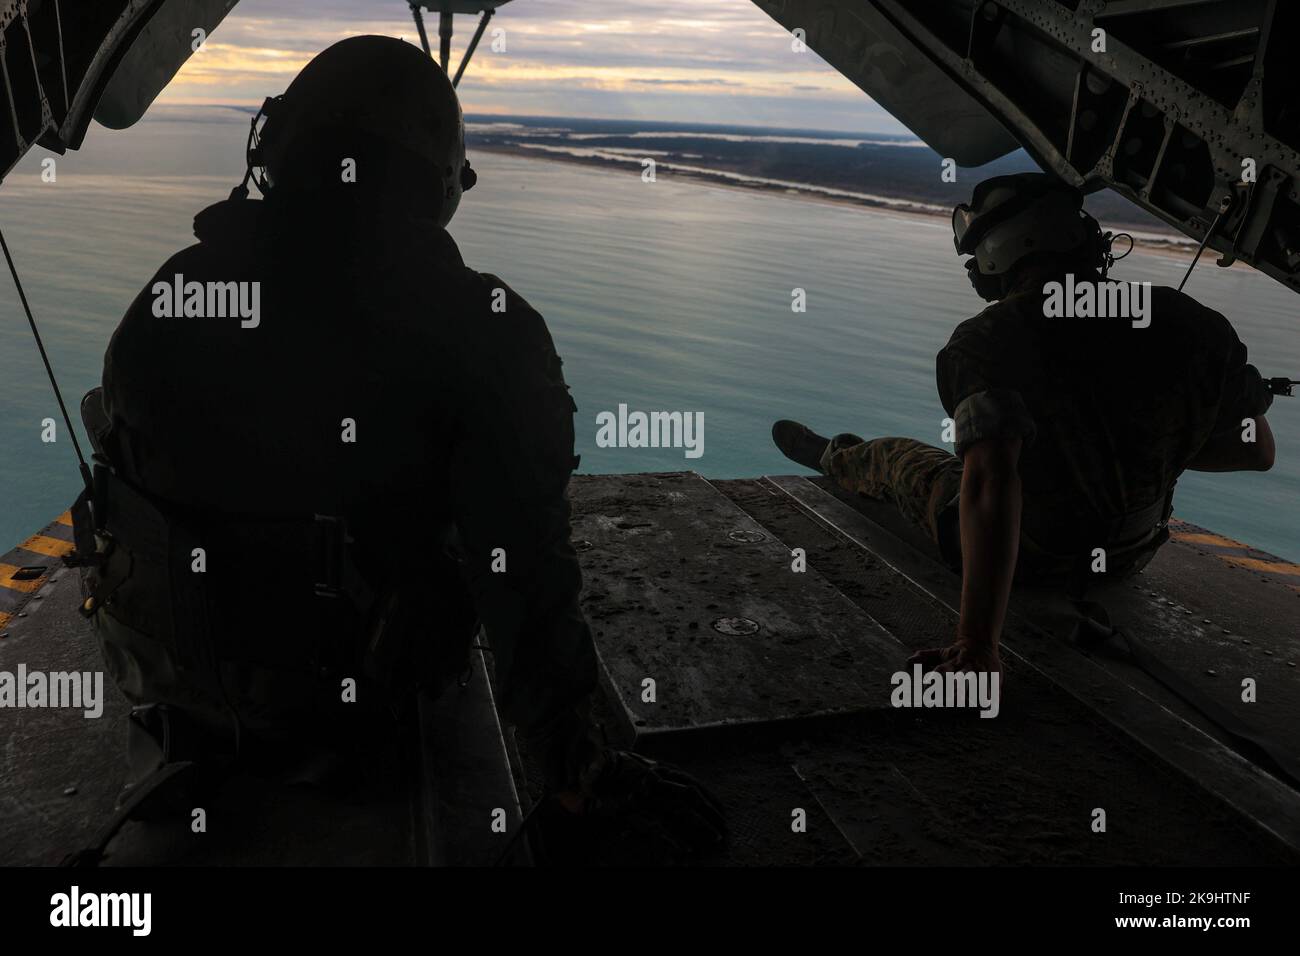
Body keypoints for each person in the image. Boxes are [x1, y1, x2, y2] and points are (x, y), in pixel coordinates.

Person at [74, 35, 722, 860]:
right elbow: (524, 574)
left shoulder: (169, 294)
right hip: (348, 721)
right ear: (436, 183)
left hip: (169, 696)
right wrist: (582, 768)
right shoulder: (485, 333)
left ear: (276, 145)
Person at [773, 173, 1277, 676]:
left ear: (1001, 252)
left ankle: (835, 456)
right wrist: (1153, 445)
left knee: (899, 458)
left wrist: (976, 646)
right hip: (1129, 554)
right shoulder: (1192, 321)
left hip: (1036, 557)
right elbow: (1257, 452)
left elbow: (991, 481)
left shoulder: (986, 341)